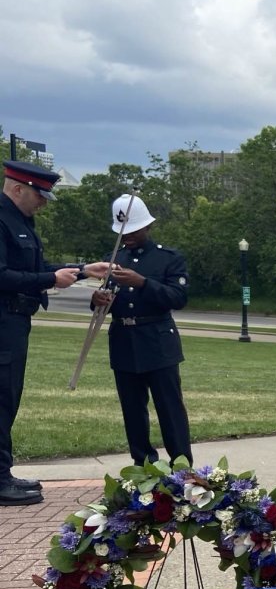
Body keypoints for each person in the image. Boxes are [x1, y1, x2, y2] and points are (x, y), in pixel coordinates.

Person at [0, 160, 110, 505]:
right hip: (3, 320)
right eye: (39, 195)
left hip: (16, 321)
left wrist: (81, 271)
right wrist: (50, 280)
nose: (43, 203)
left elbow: (36, 269)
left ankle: (3, 472)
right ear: (18, 189)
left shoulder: (22, 222)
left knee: (8, 397)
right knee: (1, 398)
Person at [90, 194, 192, 467]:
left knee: (170, 409)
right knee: (133, 411)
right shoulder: (113, 259)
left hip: (158, 341)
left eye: (133, 230)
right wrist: (97, 301)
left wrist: (143, 283)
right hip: (124, 340)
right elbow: (106, 300)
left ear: (147, 226)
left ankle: (182, 468)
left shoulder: (168, 258)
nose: (127, 238)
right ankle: (142, 467)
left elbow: (178, 298)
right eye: (123, 232)